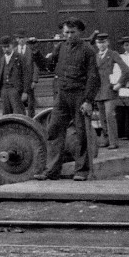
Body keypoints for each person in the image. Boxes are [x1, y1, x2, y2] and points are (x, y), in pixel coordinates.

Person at [41, 17, 98, 179]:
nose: (69, 35)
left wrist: (88, 101)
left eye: (73, 32)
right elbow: (48, 66)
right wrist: (36, 52)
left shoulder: (88, 50)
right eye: (66, 32)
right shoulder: (60, 47)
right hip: (62, 95)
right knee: (53, 130)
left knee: (81, 133)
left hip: (79, 96)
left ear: (80, 32)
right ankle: (52, 170)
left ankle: (81, 171)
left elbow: (93, 77)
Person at [1, 36, 38, 118]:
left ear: (12, 45)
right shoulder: (2, 59)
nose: (6, 49)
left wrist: (25, 91)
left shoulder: (20, 57)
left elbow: (26, 75)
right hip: (5, 90)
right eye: (4, 47)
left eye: (7, 46)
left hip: (16, 90)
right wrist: (0, 90)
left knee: (19, 113)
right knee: (6, 115)